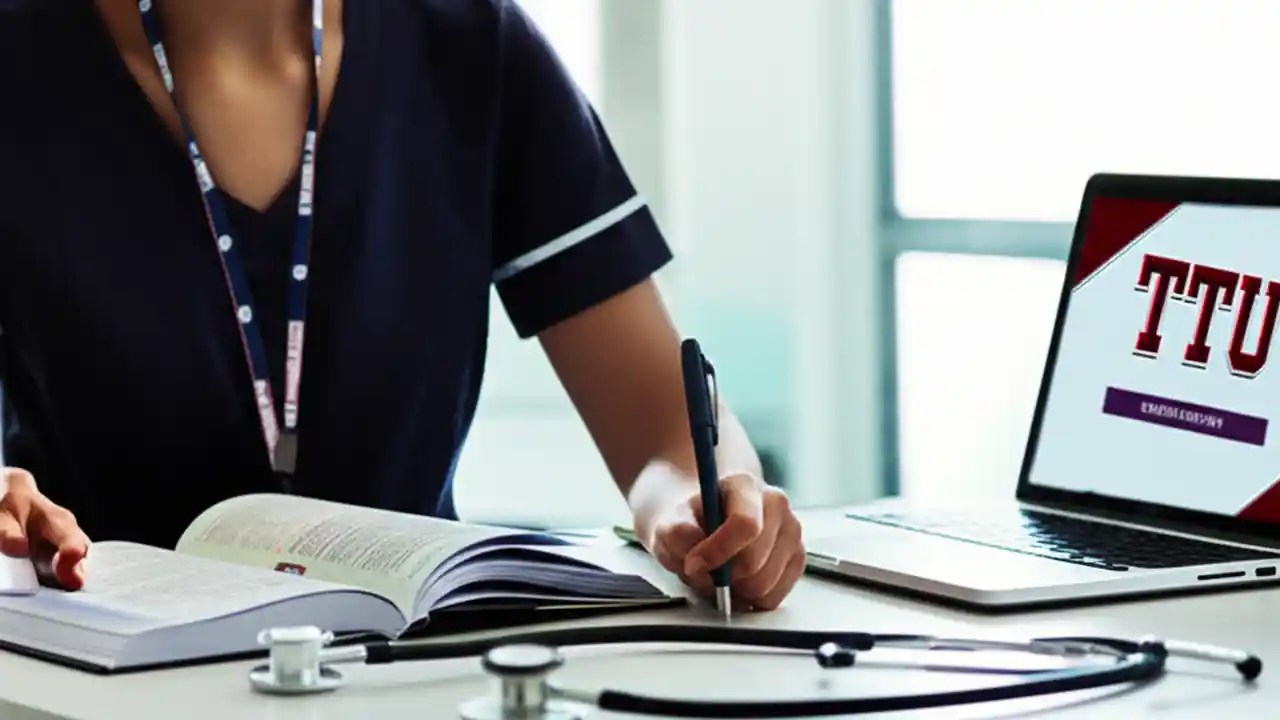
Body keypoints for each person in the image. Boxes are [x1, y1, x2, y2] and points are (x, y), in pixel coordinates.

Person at [0, 0, 806, 610]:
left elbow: (665, 432)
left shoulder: (470, 44)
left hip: (413, 668)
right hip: (86, 671)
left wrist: (709, 503)